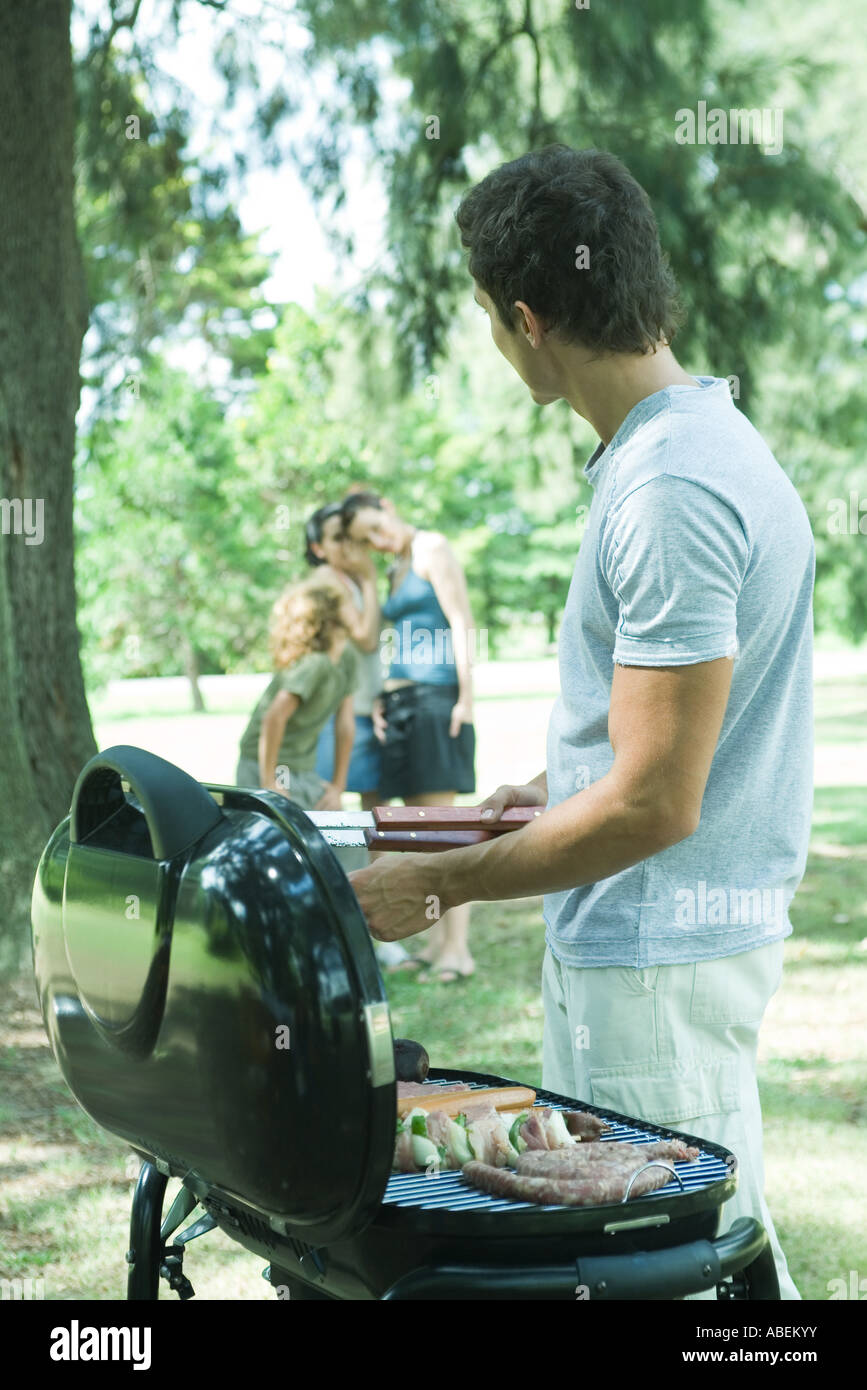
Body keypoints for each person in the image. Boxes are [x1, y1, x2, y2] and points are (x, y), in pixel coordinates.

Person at [347, 145, 813, 1300]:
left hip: (654, 963)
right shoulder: (685, 451)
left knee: (674, 1284)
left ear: (525, 320)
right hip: (666, 952)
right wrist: (563, 784)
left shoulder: (669, 488)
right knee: (720, 1266)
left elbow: (659, 800)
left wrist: (442, 886)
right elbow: (666, 751)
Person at [342, 490, 478, 983]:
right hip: (400, 705)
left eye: (376, 527)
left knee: (444, 831)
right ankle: (437, 943)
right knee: (418, 837)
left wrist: (467, 695)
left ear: (388, 506)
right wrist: (381, 697)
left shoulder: (432, 548)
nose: (377, 541)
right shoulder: (396, 566)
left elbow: (462, 620)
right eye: (365, 540)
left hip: (435, 699)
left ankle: (458, 950)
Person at [236, 579, 357, 811]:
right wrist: (269, 782)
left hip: (300, 768)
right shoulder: (314, 664)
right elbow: (274, 716)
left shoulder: (347, 658)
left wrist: (338, 787)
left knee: (337, 832)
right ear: (331, 617)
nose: (355, 606)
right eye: (348, 602)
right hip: (270, 766)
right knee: (286, 837)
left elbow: (345, 725)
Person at [304, 502, 385, 813]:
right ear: (318, 548)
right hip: (336, 712)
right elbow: (366, 638)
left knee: (377, 808)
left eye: (351, 537)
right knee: (328, 803)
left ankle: (378, 864)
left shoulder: (349, 580)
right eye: (338, 539)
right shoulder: (328, 578)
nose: (349, 546)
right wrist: (369, 578)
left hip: (363, 704)